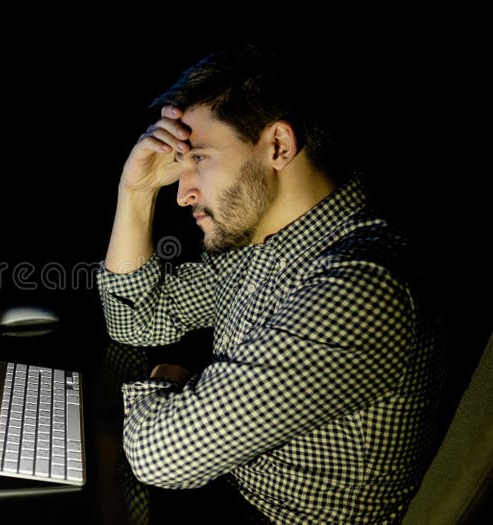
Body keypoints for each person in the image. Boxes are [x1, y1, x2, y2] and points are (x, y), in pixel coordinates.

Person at [95, 44, 445, 523]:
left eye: (199, 157)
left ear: (278, 145)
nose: (183, 193)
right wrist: (135, 193)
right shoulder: (263, 243)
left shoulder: (361, 285)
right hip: (232, 495)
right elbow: (138, 320)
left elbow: (160, 456)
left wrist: (165, 387)